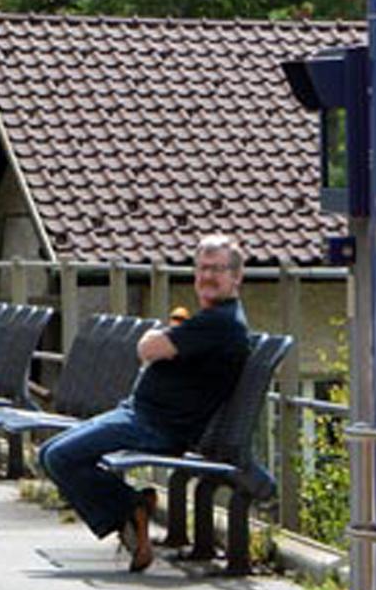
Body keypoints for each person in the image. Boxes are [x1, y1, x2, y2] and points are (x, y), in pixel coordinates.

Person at [36, 235, 250, 572]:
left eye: (218, 270)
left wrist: (156, 338)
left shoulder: (219, 323)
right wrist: (163, 340)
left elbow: (149, 349)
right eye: (203, 268)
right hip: (140, 415)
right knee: (49, 454)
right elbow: (161, 348)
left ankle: (132, 510)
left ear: (236, 277)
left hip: (156, 427)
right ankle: (132, 511)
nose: (207, 277)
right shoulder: (213, 320)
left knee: (60, 457)